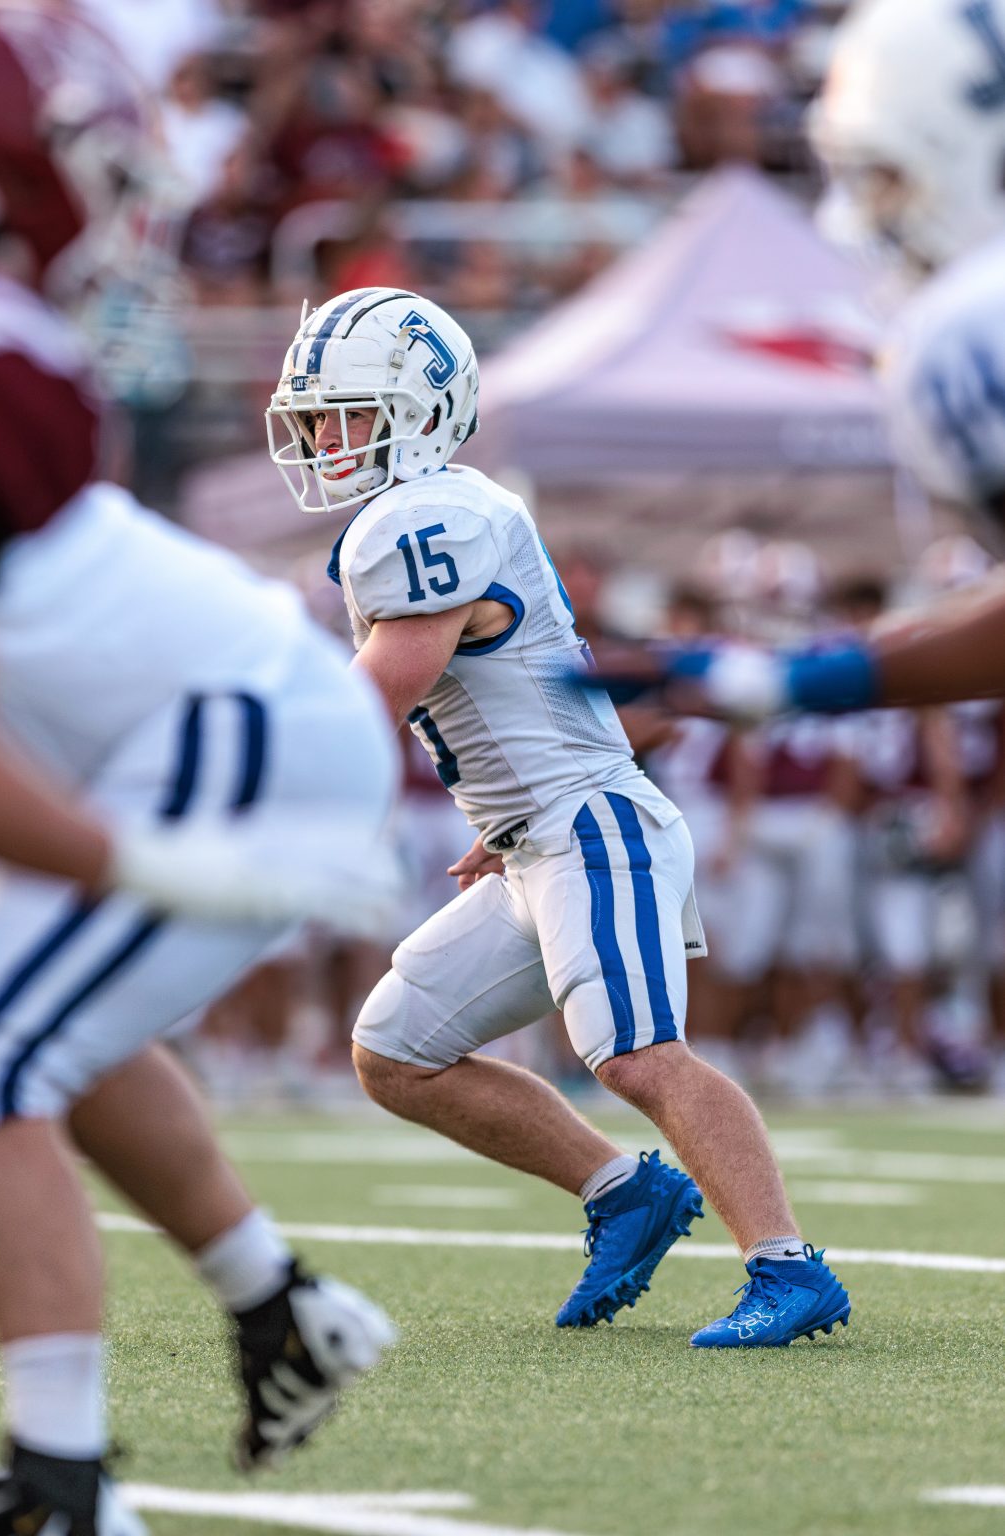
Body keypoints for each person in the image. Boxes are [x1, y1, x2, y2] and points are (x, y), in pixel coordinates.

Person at [0, 10, 399, 1532]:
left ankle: (66, 1489)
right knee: (28, 1034)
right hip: (191, 723)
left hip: (228, 735)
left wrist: (143, 867)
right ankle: (280, 1309)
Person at [265, 284, 851, 1350]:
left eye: (347, 411)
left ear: (421, 410)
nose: (322, 437)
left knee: (632, 1053)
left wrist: (250, 768)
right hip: (536, 839)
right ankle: (621, 1190)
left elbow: (377, 699)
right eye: (315, 417)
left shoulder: (430, 518)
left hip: (587, 824)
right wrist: (498, 818)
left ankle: (787, 1265)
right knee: (396, 1049)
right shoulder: (424, 518)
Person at [581, 0, 1005, 722]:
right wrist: (797, 679)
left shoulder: (971, 333)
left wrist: (801, 680)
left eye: (885, 177)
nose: (858, 218)